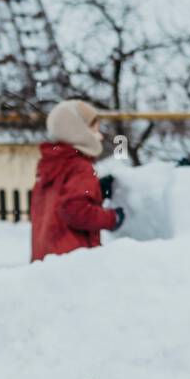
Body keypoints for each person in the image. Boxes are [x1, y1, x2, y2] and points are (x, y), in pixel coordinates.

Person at [30, 99, 125, 261]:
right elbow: (74, 210)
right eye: (94, 129)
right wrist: (112, 218)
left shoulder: (50, 165)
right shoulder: (80, 167)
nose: (100, 136)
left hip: (46, 259)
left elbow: (60, 202)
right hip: (73, 260)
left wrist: (97, 190)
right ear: (78, 131)